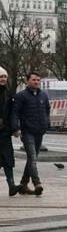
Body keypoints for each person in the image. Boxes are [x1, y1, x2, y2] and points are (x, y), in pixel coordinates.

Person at [11, 71, 51, 196]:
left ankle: (23, 184)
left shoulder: (43, 95)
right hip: (27, 131)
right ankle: (37, 183)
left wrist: (46, 123)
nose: (36, 82)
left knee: (31, 159)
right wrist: (16, 128)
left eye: (38, 80)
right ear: (27, 81)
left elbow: (47, 110)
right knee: (32, 157)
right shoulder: (21, 96)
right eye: (34, 80)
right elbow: (15, 113)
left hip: (40, 131)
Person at [0, 68, 15, 196]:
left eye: (4, 76)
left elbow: (12, 113)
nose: (3, 79)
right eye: (0, 77)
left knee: (8, 159)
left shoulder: (8, 94)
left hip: (4, 131)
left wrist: (14, 128)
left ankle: (11, 185)